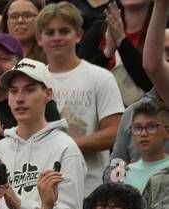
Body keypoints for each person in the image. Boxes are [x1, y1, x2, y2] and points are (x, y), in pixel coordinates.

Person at [0, 58, 85, 209]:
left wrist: (20, 207)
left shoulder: (66, 149)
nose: (19, 98)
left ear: (48, 94)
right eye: (13, 91)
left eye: (29, 90)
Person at [34, 1, 123, 193]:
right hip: (40, 189)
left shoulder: (100, 77)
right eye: (50, 32)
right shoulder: (31, 80)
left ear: (78, 35)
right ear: (39, 38)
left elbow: (115, 132)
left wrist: (66, 146)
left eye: (64, 31)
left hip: (90, 187)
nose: (57, 38)